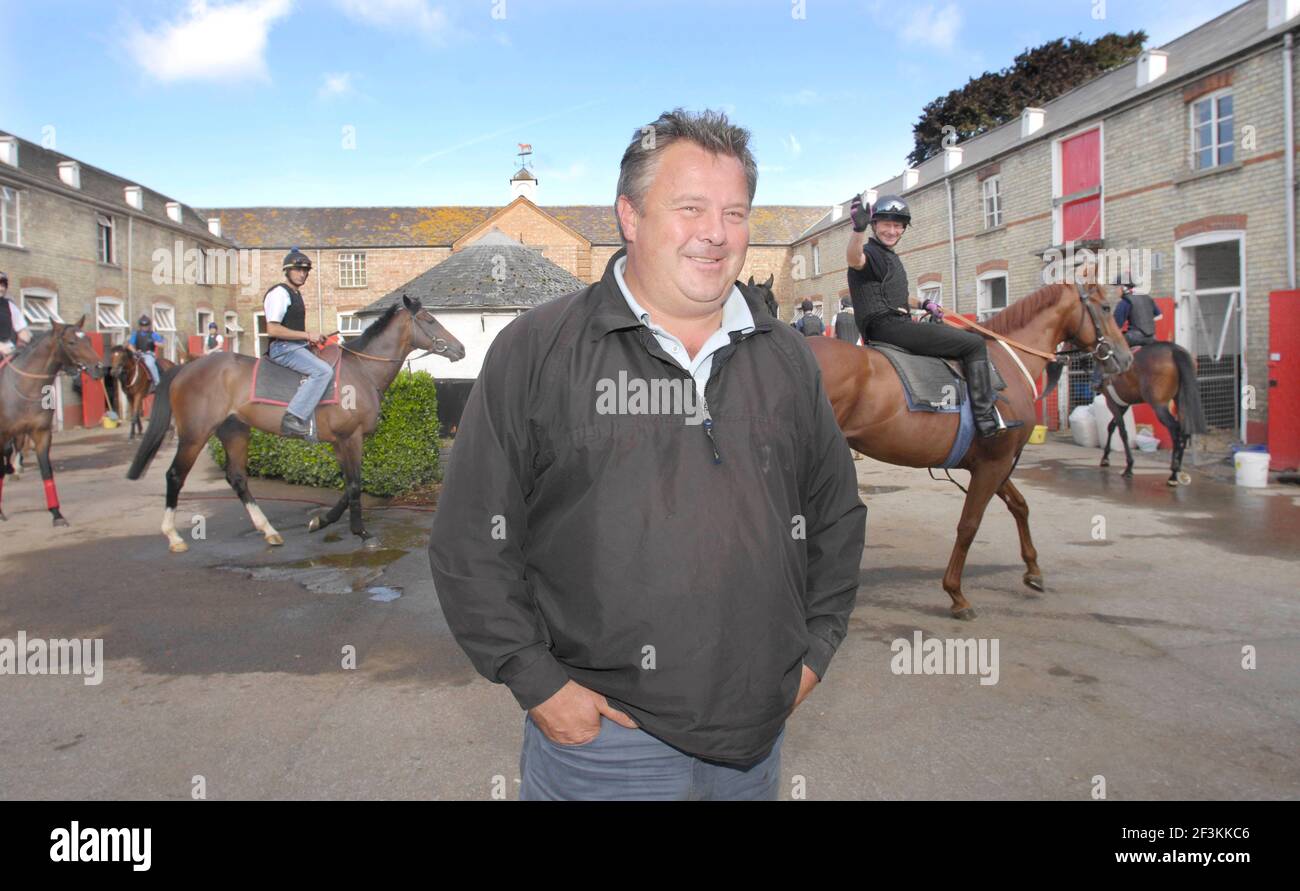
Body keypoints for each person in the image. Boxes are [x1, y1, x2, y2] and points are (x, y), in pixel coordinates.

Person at [428, 108, 866, 801]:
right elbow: (470, 539)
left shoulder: (785, 356)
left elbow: (837, 516)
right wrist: (537, 682)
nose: (715, 234)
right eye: (689, 207)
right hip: (604, 749)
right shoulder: (539, 351)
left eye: (734, 212)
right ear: (629, 215)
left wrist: (814, 653)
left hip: (755, 744)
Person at [846, 193, 1021, 437]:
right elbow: (855, 260)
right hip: (888, 326)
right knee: (973, 343)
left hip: (894, 322)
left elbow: (896, 294)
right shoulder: (871, 252)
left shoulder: (888, 256)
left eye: (898, 226)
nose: (892, 231)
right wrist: (857, 229)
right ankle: (985, 417)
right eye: (886, 224)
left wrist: (924, 303)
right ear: (874, 225)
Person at [263, 248, 330, 441]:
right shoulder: (279, 293)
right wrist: (308, 335)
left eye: (306, 271)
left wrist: (311, 340)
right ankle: (294, 417)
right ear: (287, 271)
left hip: (296, 346)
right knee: (323, 371)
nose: (303, 274)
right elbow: (273, 330)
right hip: (282, 349)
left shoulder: (295, 294)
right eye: (298, 270)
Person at [1114, 281, 1162, 348]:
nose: (1115, 291)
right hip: (1152, 337)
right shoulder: (1147, 298)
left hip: (1134, 338)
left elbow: (1116, 325)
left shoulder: (1125, 301)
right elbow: (1159, 316)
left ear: (1123, 288)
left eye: (1116, 288)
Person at [127, 315, 165, 393]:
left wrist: (156, 343)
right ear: (140, 326)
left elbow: (163, 344)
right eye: (143, 326)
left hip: (149, 354)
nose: (145, 327)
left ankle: (157, 382)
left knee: (150, 364)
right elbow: (130, 346)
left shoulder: (153, 334)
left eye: (146, 326)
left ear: (149, 326)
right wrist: (135, 351)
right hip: (138, 353)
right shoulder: (135, 334)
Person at [0, 272, 33, 356]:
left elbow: (22, 330)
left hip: (8, 350)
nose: (1, 289)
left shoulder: (10, 306)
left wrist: (30, 340)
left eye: (3, 285)